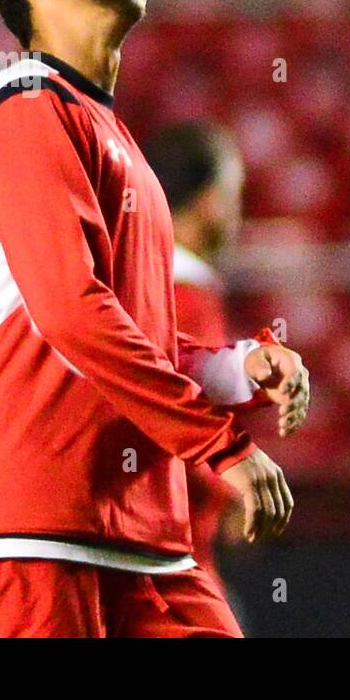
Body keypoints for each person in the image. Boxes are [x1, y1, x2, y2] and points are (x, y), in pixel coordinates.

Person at [0, 0, 309, 637]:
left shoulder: (116, 139)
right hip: (26, 533)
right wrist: (220, 446)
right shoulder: (17, 106)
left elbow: (138, 340)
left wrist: (238, 371)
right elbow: (72, 315)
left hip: (142, 538)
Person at [143, 123, 306, 603]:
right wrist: (228, 483)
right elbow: (179, 408)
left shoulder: (129, 281)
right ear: (212, 200)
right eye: (233, 193)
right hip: (171, 549)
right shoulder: (185, 295)